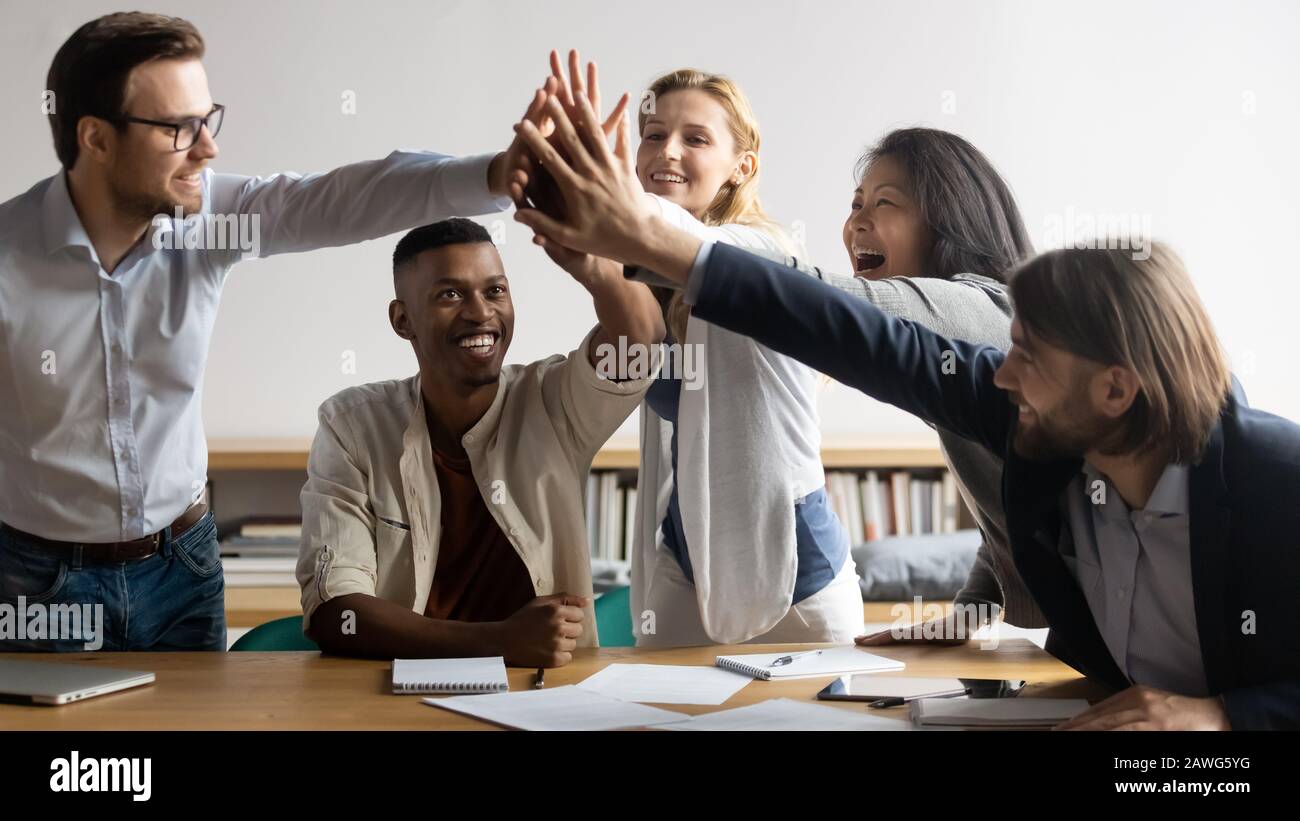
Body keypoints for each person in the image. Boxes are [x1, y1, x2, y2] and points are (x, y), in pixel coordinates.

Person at [505, 96, 1300, 729]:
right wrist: (970, 611)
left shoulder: (1273, 478)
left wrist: (1222, 718)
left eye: (1028, 357)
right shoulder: (1042, 434)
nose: (1005, 376)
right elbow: (1017, 514)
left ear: (1115, 389)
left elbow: (837, 315)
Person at [0, 11, 549, 651]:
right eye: (179, 128)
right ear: (95, 138)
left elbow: (346, 198)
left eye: (209, 120)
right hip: (38, 585)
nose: (207, 149)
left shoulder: (206, 218)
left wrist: (493, 174)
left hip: (182, 569)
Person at [539, 52, 861, 647]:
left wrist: (597, 200)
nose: (666, 151)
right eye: (654, 135)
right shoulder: (649, 279)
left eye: (695, 138)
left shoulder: (760, 255)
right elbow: (626, 360)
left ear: (741, 167)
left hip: (797, 582)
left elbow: (687, 243)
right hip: (685, 561)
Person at [297, 218, 662, 666]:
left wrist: (592, 266)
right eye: (450, 294)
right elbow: (336, 610)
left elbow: (639, 341)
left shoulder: (553, 401)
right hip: (396, 692)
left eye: (495, 291)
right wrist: (499, 642)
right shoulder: (352, 424)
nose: (480, 312)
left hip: (547, 689)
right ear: (403, 319)